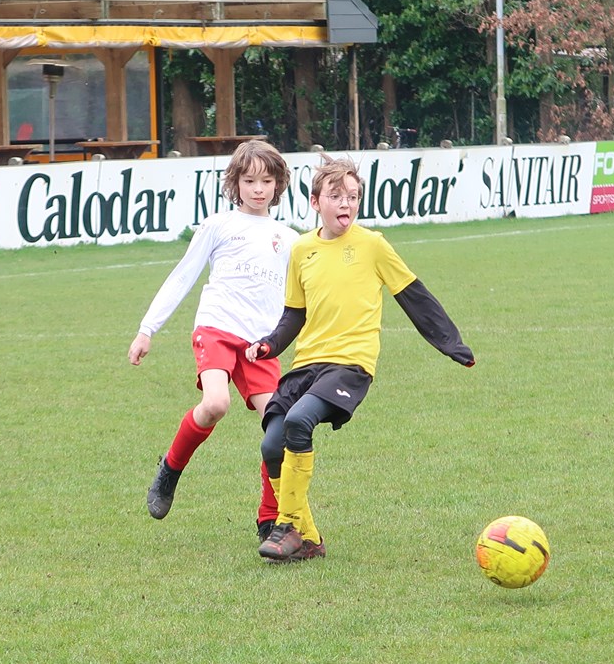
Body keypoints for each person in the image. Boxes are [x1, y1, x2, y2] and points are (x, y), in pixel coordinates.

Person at [245, 154, 475, 562]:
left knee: (300, 422)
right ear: (316, 202)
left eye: (352, 196)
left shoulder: (373, 245)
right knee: (271, 444)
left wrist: (451, 343)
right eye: (336, 196)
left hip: (351, 364)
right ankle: (309, 539)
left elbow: (413, 295)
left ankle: (288, 525)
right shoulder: (302, 249)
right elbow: (293, 315)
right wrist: (268, 345)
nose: (346, 204)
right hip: (307, 365)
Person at [128, 140, 300, 539]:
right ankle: (170, 469)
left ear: (278, 185)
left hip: (261, 343)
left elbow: (304, 293)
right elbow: (183, 276)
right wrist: (146, 329)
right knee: (216, 403)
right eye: (250, 180)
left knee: (279, 427)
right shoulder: (218, 226)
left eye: (267, 181)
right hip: (218, 327)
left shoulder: (288, 237)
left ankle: (269, 518)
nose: (258, 188)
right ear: (235, 183)